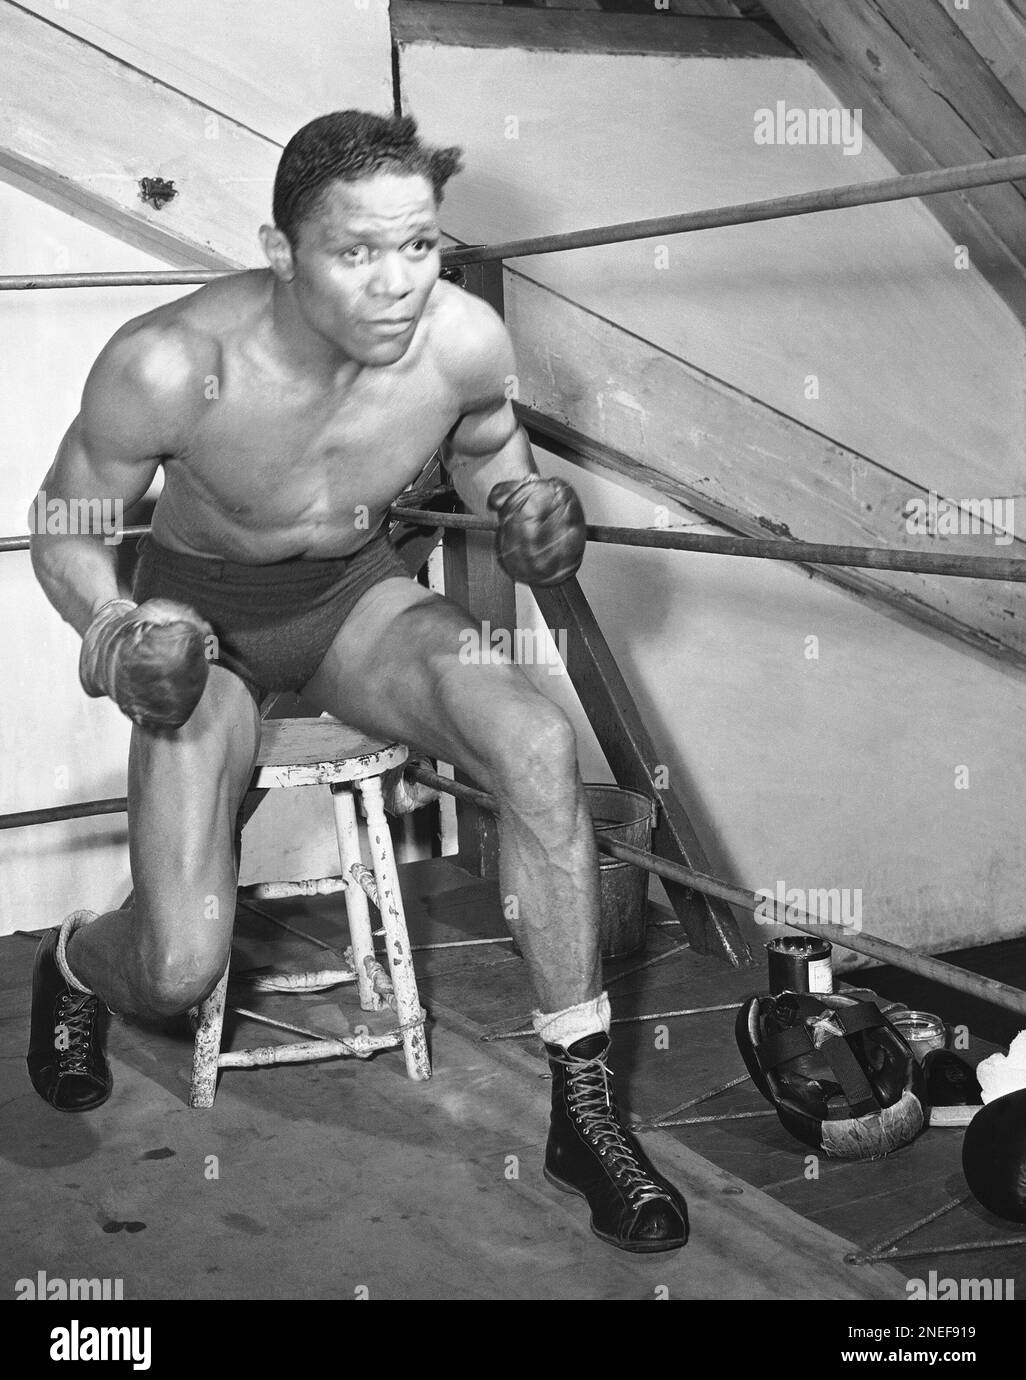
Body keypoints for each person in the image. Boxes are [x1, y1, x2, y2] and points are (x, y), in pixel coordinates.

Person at [27, 111, 688, 1255]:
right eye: (357, 253)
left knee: (535, 740)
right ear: (283, 251)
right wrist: (117, 629)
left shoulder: (463, 340)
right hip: (204, 626)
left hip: (353, 599)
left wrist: (531, 511)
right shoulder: (175, 361)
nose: (398, 286)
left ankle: (584, 1113)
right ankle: (75, 960)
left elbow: (488, 453)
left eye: (420, 247)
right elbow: (65, 519)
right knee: (179, 964)